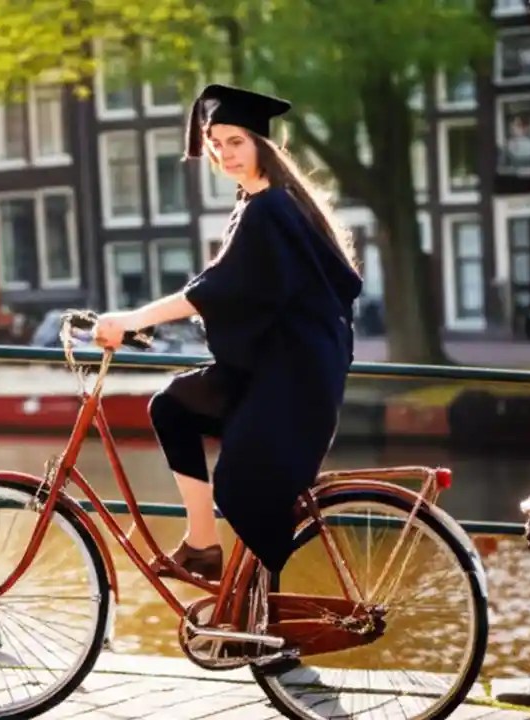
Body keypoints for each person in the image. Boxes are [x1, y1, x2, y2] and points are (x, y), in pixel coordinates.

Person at [92, 84, 364, 585]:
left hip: (291, 378)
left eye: (235, 141)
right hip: (277, 366)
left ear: (262, 143)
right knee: (173, 406)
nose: (224, 153)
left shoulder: (270, 211)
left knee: (243, 485)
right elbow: (242, 294)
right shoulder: (266, 203)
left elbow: (213, 291)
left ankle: (270, 634)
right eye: (215, 142)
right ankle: (202, 546)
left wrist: (128, 320)